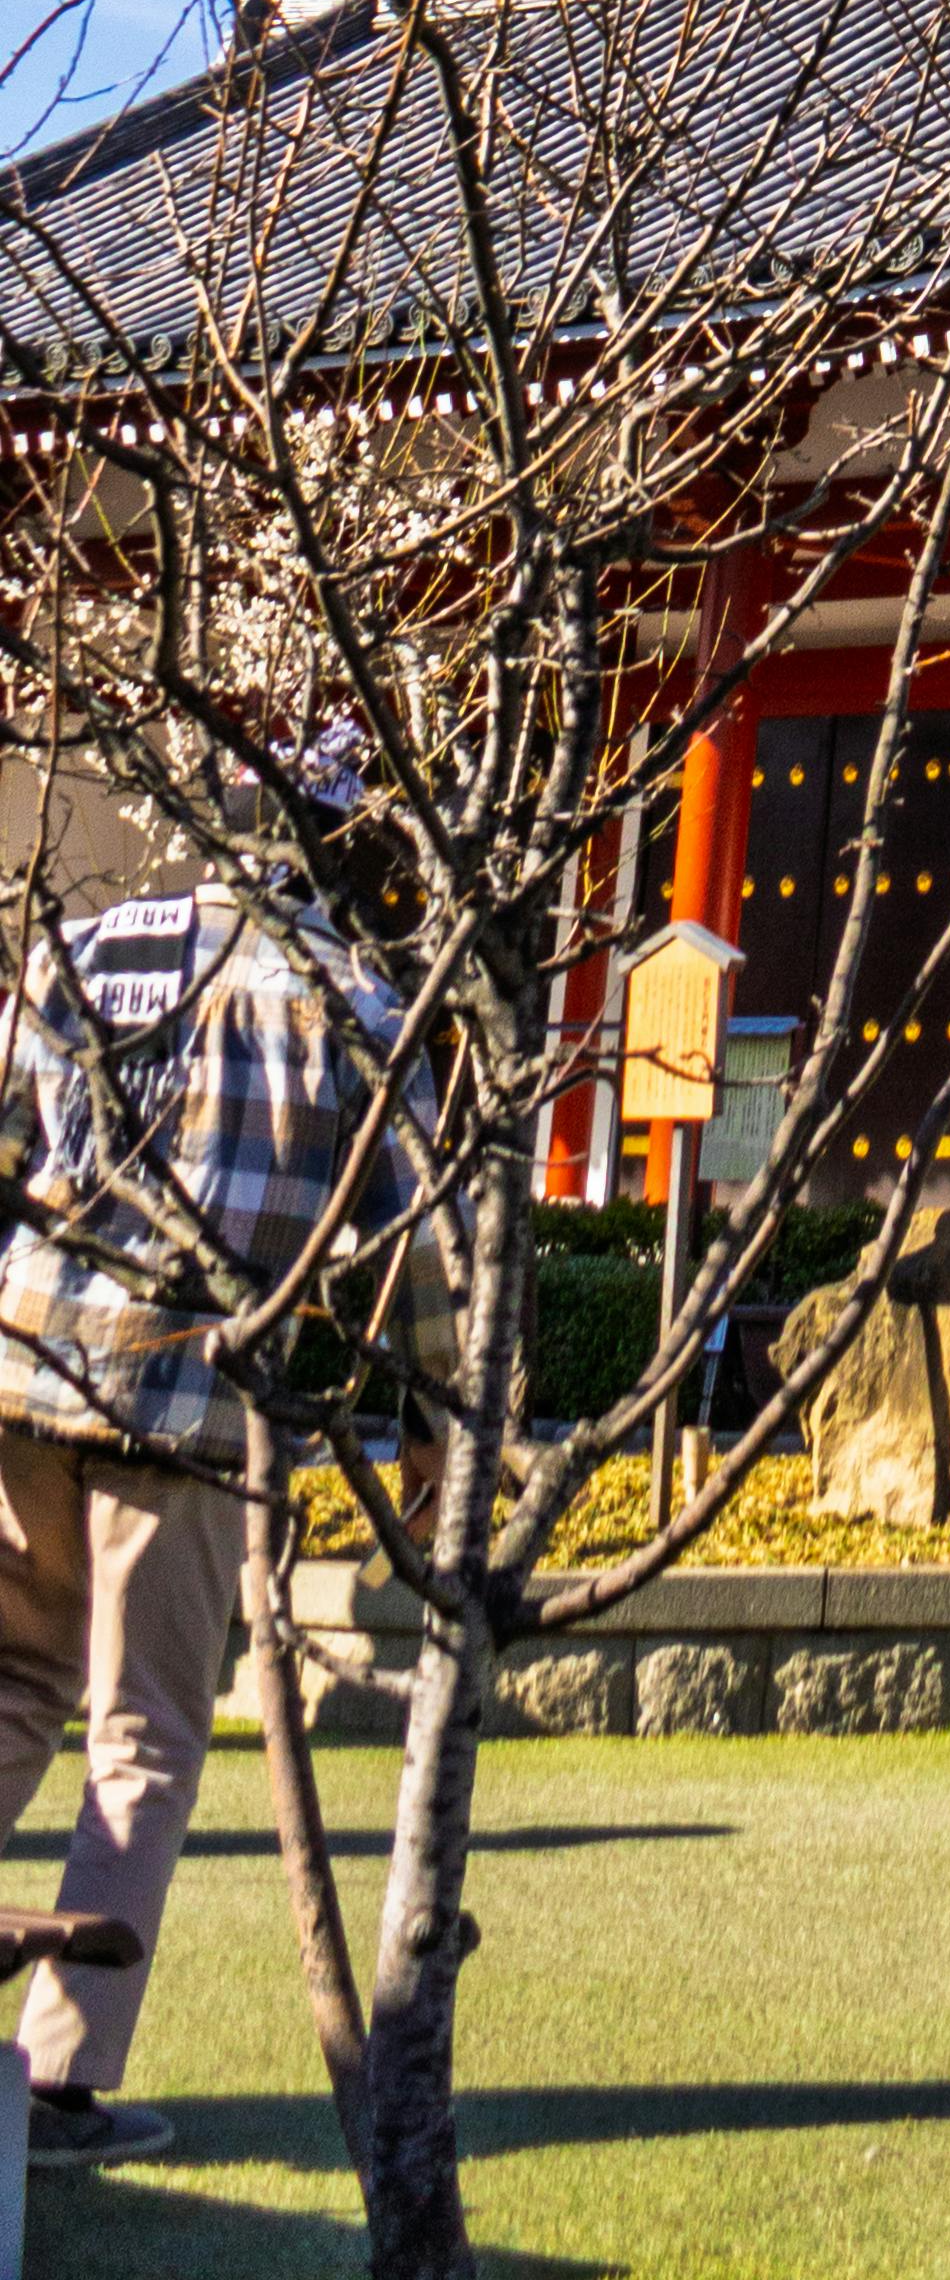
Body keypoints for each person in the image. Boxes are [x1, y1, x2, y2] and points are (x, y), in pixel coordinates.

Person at [0, 868, 458, 2167]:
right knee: (143, 1729)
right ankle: (53, 2087)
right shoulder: (349, 995)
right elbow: (418, 1244)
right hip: (188, 1382)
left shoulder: (84, 949)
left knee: (11, 1684)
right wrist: (432, 1433)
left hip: (23, 1351)